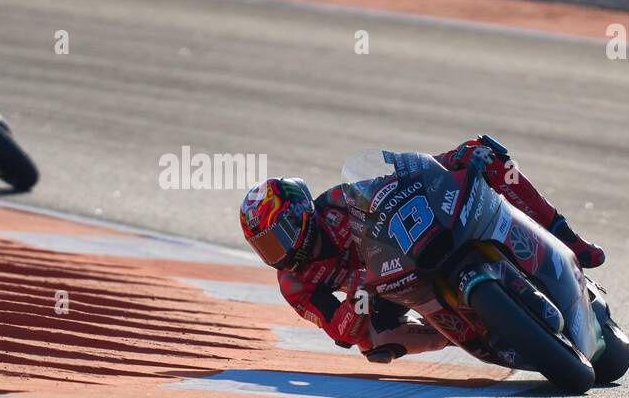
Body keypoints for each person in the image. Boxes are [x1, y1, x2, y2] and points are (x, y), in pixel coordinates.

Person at [239, 136, 604, 363]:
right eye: (264, 247)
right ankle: (459, 334)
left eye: (280, 236)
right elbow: (340, 332)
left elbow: (398, 185)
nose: (279, 252)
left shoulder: (336, 202)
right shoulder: (294, 284)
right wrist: (358, 296)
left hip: (411, 247)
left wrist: (449, 161)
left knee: (484, 154)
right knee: (373, 343)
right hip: (381, 290)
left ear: (303, 213)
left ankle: (569, 240)